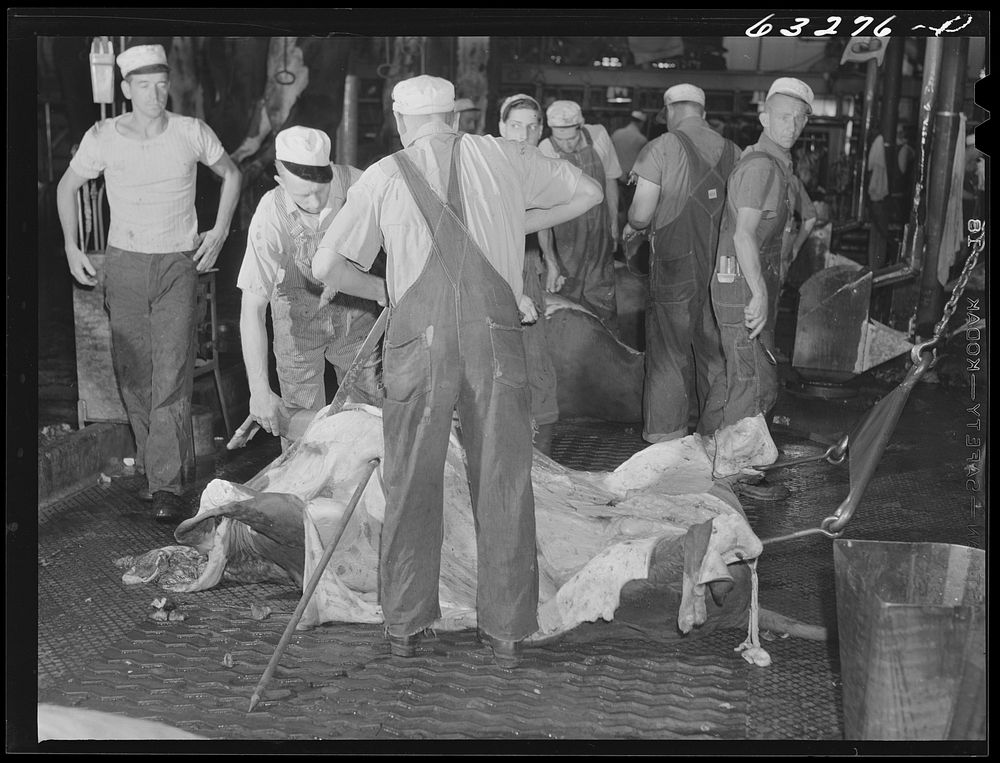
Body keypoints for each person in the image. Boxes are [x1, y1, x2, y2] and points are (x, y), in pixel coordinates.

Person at [311, 75, 603, 667]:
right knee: (502, 476)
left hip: (419, 344)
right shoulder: (505, 154)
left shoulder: (386, 174)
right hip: (496, 340)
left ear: (401, 120)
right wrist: (512, 220)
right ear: (454, 116)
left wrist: (384, 290)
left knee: (412, 479)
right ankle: (506, 630)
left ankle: (406, 624)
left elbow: (326, 266)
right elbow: (590, 194)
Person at [56, 44, 241, 522]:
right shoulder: (103, 136)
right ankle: (153, 464)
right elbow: (66, 187)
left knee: (171, 371)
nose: (155, 94)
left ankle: (166, 484)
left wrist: (218, 230)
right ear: (126, 90)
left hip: (177, 264)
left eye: (161, 84)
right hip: (125, 265)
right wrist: (72, 247)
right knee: (133, 373)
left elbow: (231, 173)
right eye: (143, 86)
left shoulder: (190, 132)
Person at [705, 77, 813, 500]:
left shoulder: (776, 162)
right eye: (781, 116)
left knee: (740, 376)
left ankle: (704, 448)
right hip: (742, 288)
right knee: (753, 381)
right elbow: (744, 235)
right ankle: (733, 475)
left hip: (745, 284)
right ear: (764, 116)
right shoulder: (760, 167)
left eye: (798, 118)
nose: (790, 125)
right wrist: (761, 294)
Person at [237, 126, 379, 448]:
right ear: (280, 180)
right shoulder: (269, 216)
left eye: (322, 189)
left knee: (371, 419)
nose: (315, 201)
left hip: (355, 313)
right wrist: (259, 391)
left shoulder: (359, 184)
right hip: (297, 321)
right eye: (303, 195)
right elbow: (252, 308)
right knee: (303, 434)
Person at [623, 84, 740, 444]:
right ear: (702, 113)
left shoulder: (661, 147)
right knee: (716, 353)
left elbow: (642, 216)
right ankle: (717, 437)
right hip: (723, 270)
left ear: (671, 111)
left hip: (676, 266)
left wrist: (631, 225)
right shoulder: (734, 151)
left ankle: (666, 439)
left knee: (669, 354)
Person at [498, 93, 560, 454]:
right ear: (503, 128)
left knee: (535, 354)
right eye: (516, 125)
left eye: (531, 126)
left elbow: (544, 218)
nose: (523, 133)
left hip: (529, 264)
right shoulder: (488, 165)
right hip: (493, 265)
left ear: (540, 130)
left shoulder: (541, 164)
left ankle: (540, 452)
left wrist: (550, 260)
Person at [538, 100, 623, 333]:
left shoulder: (599, 136)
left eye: (571, 138)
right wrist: (550, 259)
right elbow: (542, 212)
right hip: (567, 241)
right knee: (567, 304)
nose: (564, 145)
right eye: (559, 139)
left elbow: (611, 179)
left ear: (581, 125)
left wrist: (614, 221)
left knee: (602, 299)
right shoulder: (545, 149)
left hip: (599, 236)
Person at [611, 110, 649, 235]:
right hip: (631, 180)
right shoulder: (641, 139)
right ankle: (626, 238)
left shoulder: (617, 134)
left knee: (616, 208)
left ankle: (615, 235)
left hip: (615, 178)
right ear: (641, 123)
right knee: (629, 210)